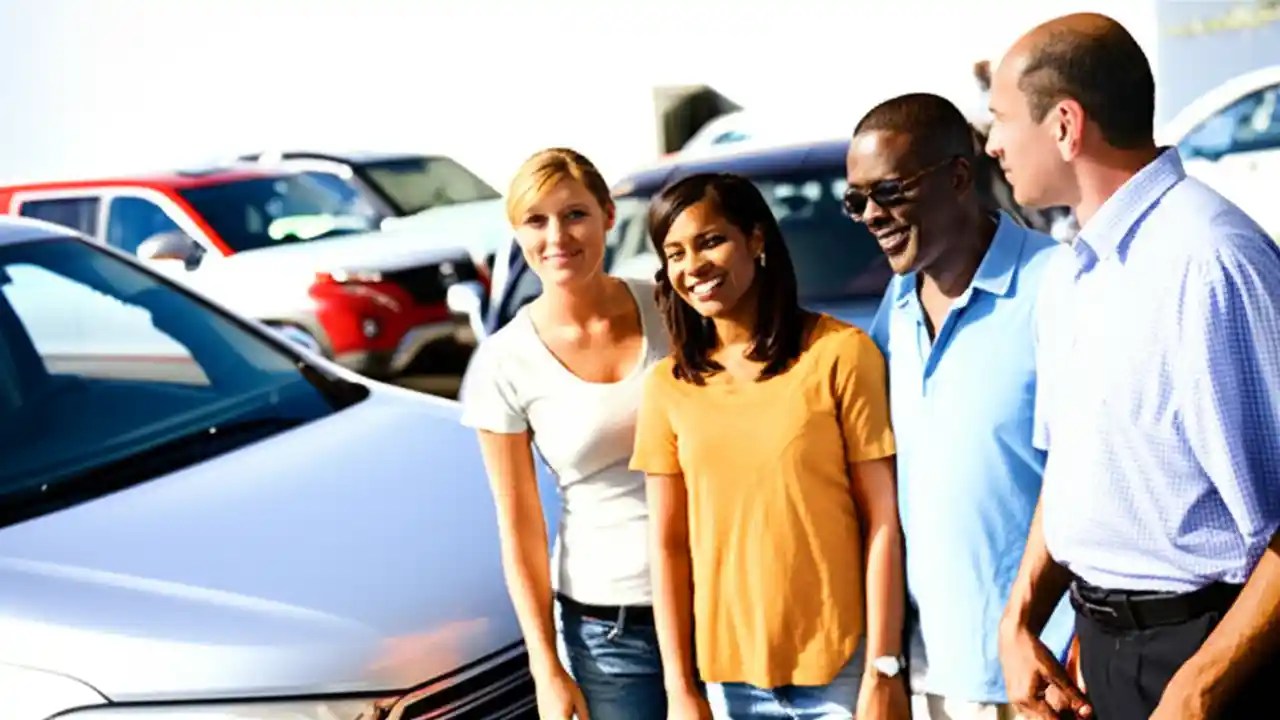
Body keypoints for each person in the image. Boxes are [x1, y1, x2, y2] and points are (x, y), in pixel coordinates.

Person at [986, 13, 1280, 720]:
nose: (991, 141)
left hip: (1216, 661)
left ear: (1064, 125)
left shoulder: (1213, 261)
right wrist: (1020, 620)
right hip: (1100, 657)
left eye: (998, 118)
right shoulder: (1069, 274)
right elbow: (1073, 471)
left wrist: (1201, 683)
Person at [630, 172, 909, 720]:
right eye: (675, 252)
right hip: (729, 685)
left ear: (756, 240)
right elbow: (667, 547)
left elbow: (882, 520)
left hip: (842, 674)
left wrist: (883, 667)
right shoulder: (668, 386)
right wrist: (679, 687)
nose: (694, 266)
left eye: (712, 240)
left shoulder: (840, 354)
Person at [847, 92, 1073, 720]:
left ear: (957, 176)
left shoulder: (1057, 283)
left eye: (888, 191)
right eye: (855, 200)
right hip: (934, 681)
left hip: (1048, 676)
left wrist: (1073, 644)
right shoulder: (893, 309)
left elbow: (1097, 477)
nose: (869, 215)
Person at [460, 147, 669, 720]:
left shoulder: (672, 311)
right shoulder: (504, 362)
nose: (558, 236)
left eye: (575, 214)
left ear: (608, 215)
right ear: (517, 233)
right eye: (536, 220)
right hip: (610, 633)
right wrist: (545, 667)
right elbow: (521, 526)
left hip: (719, 596)